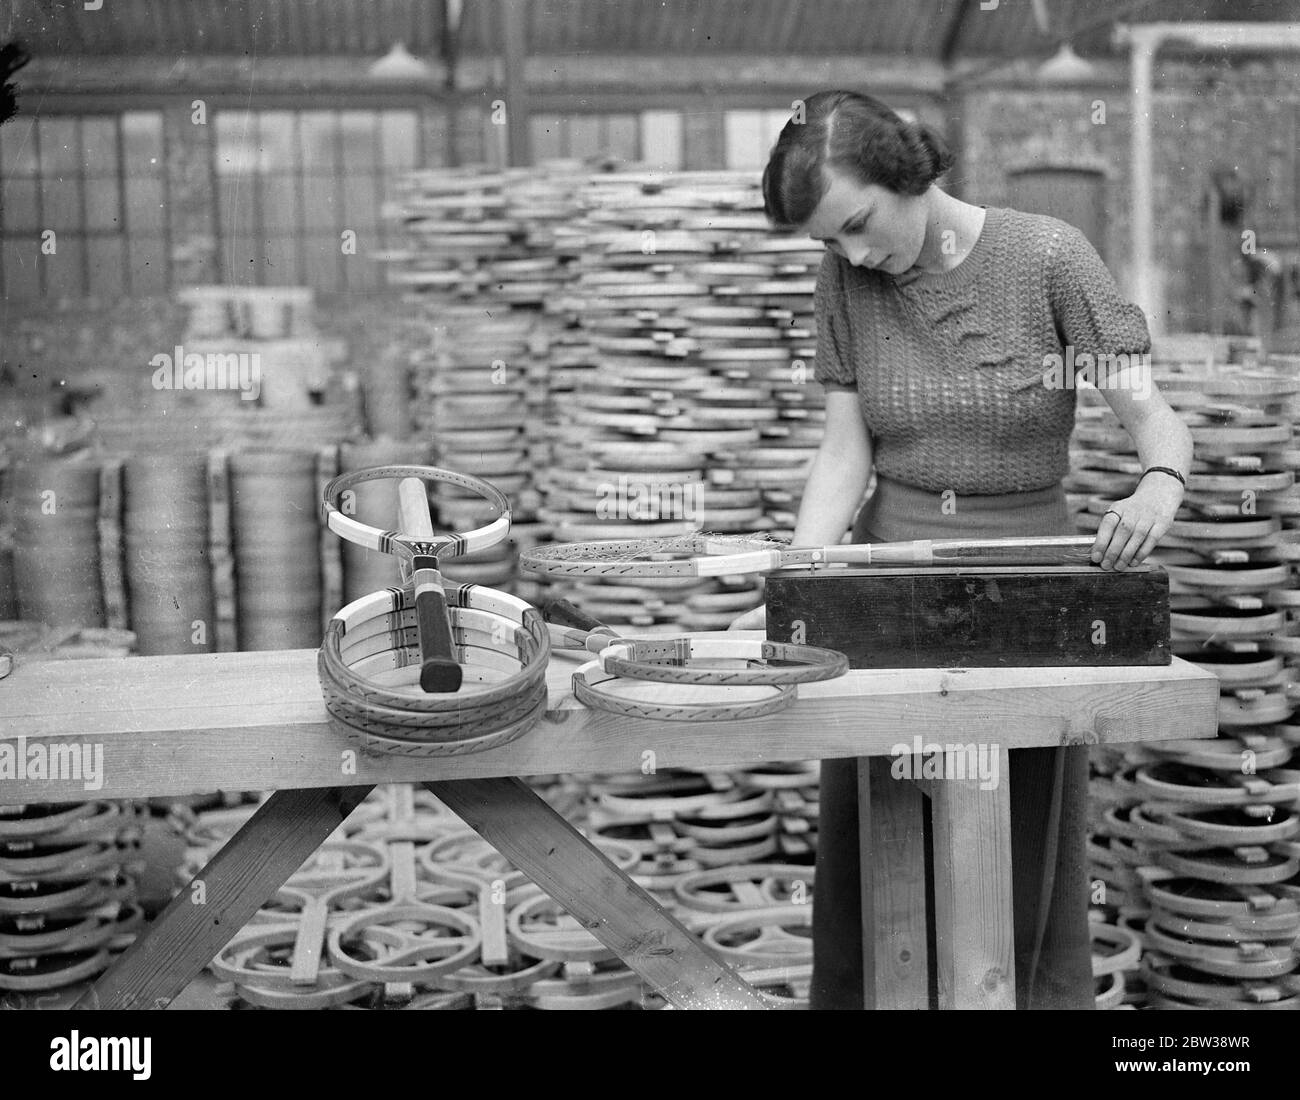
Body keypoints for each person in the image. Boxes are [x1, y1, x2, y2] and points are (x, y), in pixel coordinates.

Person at [730, 90, 1193, 1009]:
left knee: (1010, 852)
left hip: (1028, 609)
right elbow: (844, 451)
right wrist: (799, 578)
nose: (855, 255)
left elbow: (1156, 421)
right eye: (830, 242)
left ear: (910, 172)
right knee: (884, 847)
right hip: (887, 602)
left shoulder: (1050, 257)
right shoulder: (847, 282)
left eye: (859, 224)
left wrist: (1158, 485)